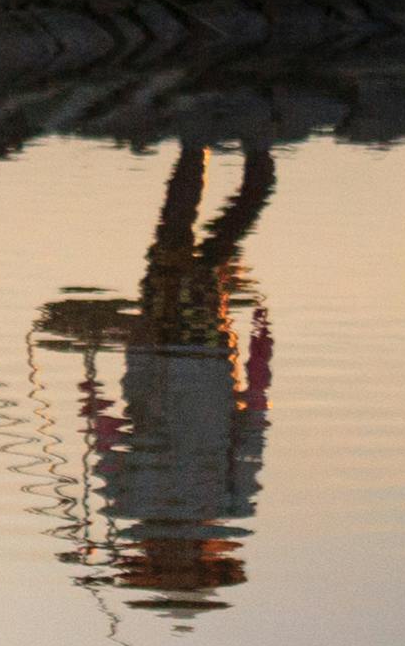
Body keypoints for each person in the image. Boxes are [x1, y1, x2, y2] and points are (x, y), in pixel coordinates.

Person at [91, 142, 275, 603]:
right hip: (204, 359)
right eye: (184, 569)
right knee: (207, 259)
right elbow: (252, 428)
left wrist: (91, 379)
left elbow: (105, 436)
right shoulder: (233, 506)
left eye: (166, 570)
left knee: (169, 242)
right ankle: (257, 163)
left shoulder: (125, 505)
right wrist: (260, 360)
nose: (172, 560)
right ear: (202, 562)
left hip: (150, 357)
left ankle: (199, 149)